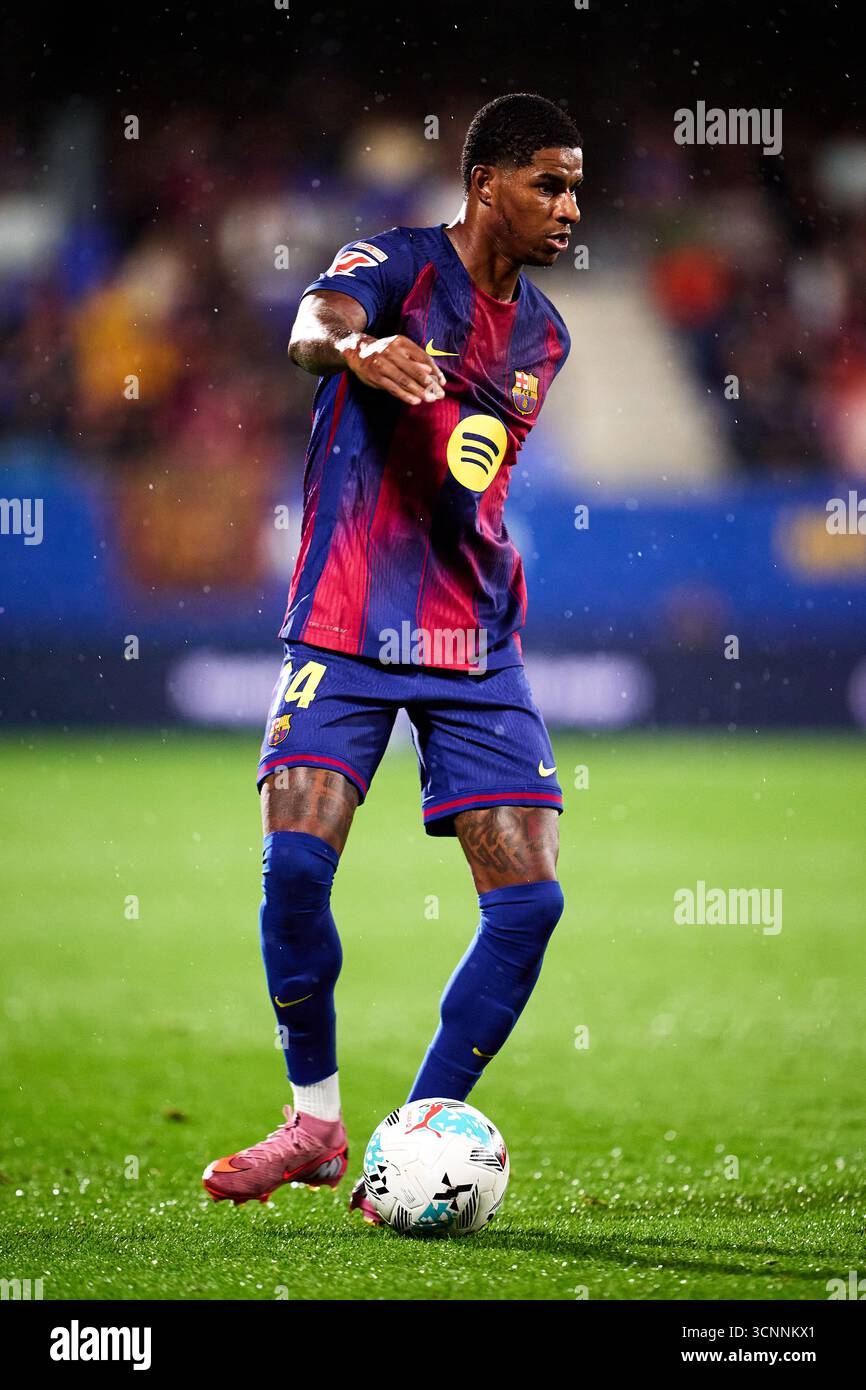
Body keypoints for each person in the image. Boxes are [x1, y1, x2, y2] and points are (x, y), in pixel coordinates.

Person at [202, 93, 583, 1223]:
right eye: (547, 183)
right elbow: (308, 329)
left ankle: (408, 1143)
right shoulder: (394, 264)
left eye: (574, 186)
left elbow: (469, 474)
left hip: (468, 636)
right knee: (295, 869)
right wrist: (361, 349)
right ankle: (314, 1121)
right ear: (485, 183)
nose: (569, 206)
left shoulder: (546, 337)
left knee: (528, 903)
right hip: (345, 618)